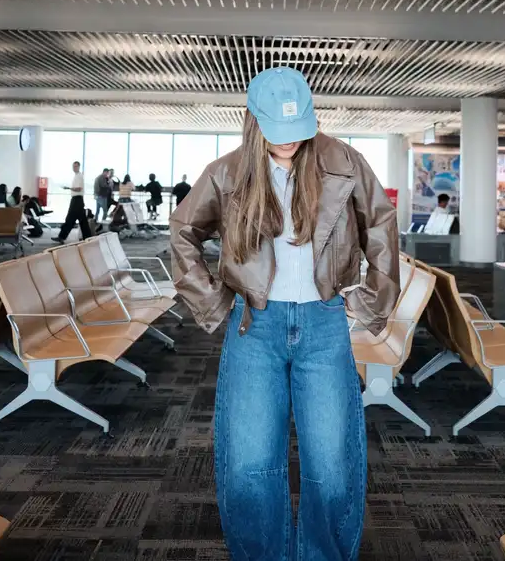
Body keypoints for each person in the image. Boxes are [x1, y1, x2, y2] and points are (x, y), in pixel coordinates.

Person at [171, 66, 399, 561]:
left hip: (324, 322)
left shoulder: (345, 162)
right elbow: (183, 232)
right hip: (255, 325)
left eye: (297, 129)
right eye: (278, 130)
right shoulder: (228, 171)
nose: (289, 141)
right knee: (248, 467)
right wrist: (213, 300)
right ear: (254, 121)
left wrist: (372, 299)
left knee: (333, 469)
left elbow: (381, 226)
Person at [52, 161, 92, 244]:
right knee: (80, 220)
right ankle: (87, 237)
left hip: (77, 200)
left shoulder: (79, 176)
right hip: (76, 199)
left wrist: (69, 188)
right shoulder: (76, 176)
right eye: (73, 166)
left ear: (79, 167)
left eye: (76, 166)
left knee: (71, 219)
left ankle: (62, 236)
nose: (74, 168)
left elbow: (79, 189)